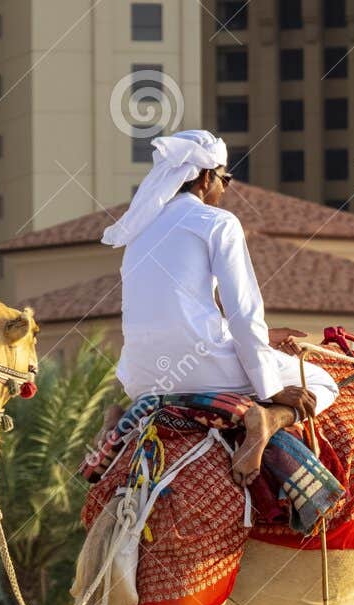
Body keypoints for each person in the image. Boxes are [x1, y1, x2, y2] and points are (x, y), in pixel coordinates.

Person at [102, 129, 339, 485]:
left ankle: (116, 419)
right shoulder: (217, 223)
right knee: (324, 382)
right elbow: (243, 312)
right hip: (204, 369)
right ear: (205, 177)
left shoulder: (138, 235)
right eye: (224, 178)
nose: (225, 189)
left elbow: (179, 315)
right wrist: (271, 387)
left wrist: (266, 337)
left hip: (142, 381)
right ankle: (268, 420)